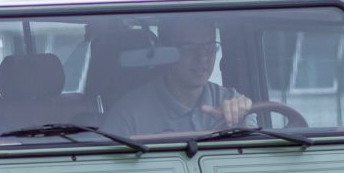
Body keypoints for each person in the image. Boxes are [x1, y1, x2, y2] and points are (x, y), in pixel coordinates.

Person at [99, 18, 253, 139]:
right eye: (189, 48)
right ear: (164, 51)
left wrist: (238, 126)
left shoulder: (231, 102)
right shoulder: (128, 114)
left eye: (210, 46)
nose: (202, 57)